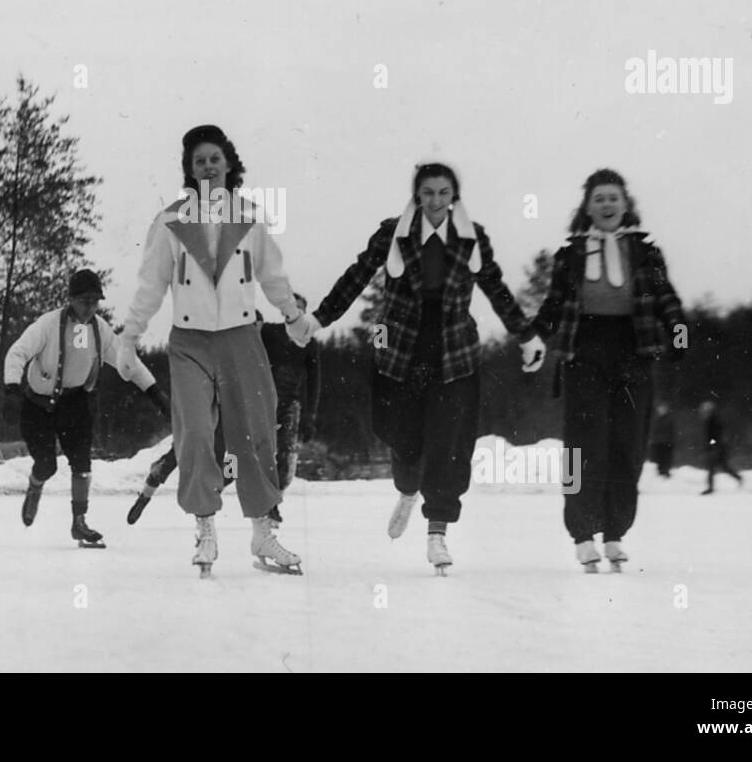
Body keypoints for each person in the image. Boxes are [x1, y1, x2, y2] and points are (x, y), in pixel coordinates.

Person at [293, 158, 544, 573]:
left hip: (453, 353)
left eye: (444, 193)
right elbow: (357, 277)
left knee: (449, 443)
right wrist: (319, 319)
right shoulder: (394, 234)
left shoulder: (470, 238)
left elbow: (496, 288)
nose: (436, 201)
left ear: (454, 196)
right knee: (403, 438)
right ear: (416, 195)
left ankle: (438, 532)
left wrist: (526, 334)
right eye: (428, 193)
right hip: (401, 351)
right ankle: (408, 490)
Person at [116, 124, 307, 576]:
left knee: (255, 434)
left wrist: (293, 316)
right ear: (189, 168)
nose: (207, 167)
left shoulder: (250, 217)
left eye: (214, 159)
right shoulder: (169, 221)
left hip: (242, 338)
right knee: (196, 433)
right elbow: (150, 285)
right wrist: (128, 336)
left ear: (228, 164)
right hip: (190, 342)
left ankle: (263, 532)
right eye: (199, 160)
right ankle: (205, 528)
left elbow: (273, 277)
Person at [532, 169, 687, 572]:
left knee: (627, 444)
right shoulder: (570, 254)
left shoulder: (645, 250)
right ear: (587, 207)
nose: (606, 205)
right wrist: (530, 338)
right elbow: (552, 305)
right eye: (599, 198)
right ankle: (582, 535)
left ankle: (615, 533)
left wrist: (681, 339)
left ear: (625, 204)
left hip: (634, 350)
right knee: (583, 446)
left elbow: (668, 298)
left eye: (613, 198)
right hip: (585, 352)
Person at [3, 268, 170, 547]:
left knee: (82, 464)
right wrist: (10, 389)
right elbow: (17, 352)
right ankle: (35, 485)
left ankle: (79, 523)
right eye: (84, 301)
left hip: (74, 404)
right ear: (70, 299)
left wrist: (155, 393)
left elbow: (127, 363)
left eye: (95, 301)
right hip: (38, 405)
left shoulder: (99, 330)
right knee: (47, 466)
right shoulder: (47, 324)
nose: (89, 307)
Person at [126, 302, 318, 526]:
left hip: (233, 415)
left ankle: (227, 496)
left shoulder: (263, 348)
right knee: (180, 452)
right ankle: (147, 492)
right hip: (209, 408)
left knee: (232, 461)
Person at [255, 296, 321, 520]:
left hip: (290, 404)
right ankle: (262, 500)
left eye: (300, 311)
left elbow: (314, 381)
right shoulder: (270, 333)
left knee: (288, 455)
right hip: (264, 401)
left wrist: (310, 415)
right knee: (261, 452)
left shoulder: (309, 342)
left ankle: (274, 500)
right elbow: (251, 327)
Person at [700, 400, 742, 494]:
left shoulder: (714, 421)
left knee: (713, 467)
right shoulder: (710, 421)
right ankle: (738, 478)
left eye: (705, 410)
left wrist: (713, 445)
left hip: (718, 447)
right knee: (723, 466)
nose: (704, 412)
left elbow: (716, 436)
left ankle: (711, 487)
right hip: (717, 447)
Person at [649, 401, 676, 478]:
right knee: (659, 457)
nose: (661, 411)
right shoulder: (657, 420)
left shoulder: (669, 420)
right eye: (660, 409)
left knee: (666, 458)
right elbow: (655, 430)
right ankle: (660, 471)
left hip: (666, 442)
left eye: (663, 409)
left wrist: (671, 441)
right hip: (659, 442)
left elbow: (671, 431)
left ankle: (665, 471)